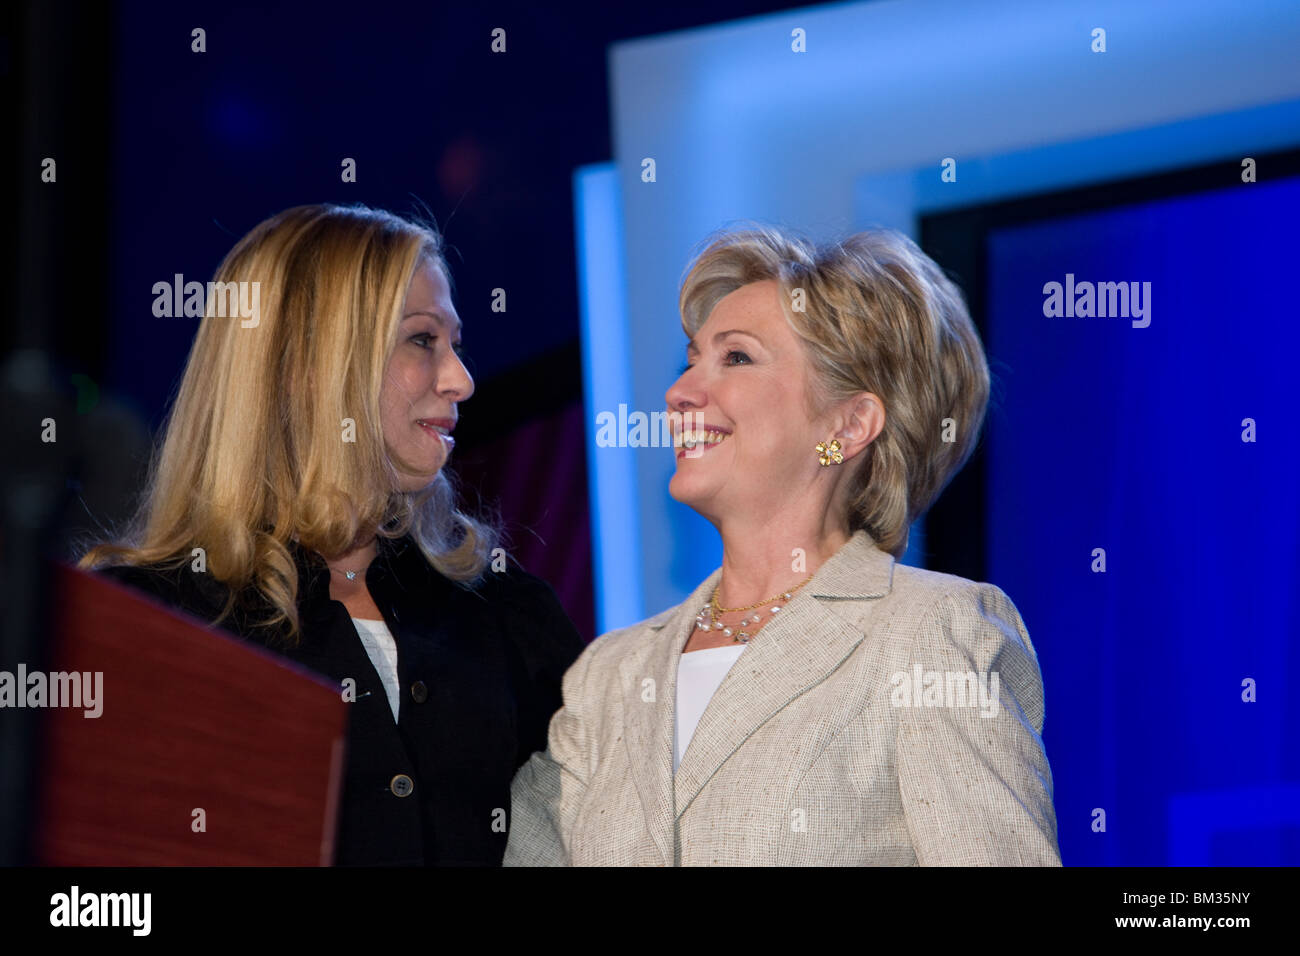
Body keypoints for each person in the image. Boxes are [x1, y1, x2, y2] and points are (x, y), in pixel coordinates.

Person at [505, 224, 1061, 865]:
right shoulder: (609, 674)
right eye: (691, 359)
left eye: (735, 357)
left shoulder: (932, 632)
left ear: (848, 425)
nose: (679, 392)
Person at [81, 203, 585, 866]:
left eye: (454, 344)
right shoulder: (144, 622)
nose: (461, 379)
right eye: (422, 340)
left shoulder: (509, 616)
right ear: (306, 365)